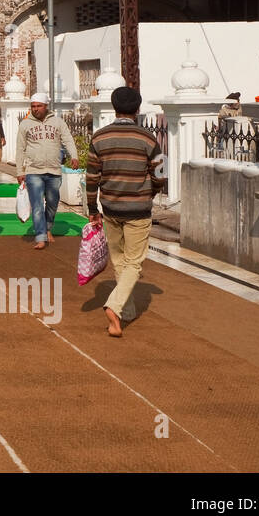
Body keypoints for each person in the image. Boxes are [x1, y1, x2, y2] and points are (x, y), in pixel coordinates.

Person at [85, 86, 165, 338]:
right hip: (138, 208)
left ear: (113, 107)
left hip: (110, 207)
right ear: (137, 109)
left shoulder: (99, 138)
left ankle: (126, 311)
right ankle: (115, 305)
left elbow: (91, 177)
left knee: (119, 260)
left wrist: (92, 208)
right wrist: (149, 192)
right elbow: (160, 175)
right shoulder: (148, 139)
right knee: (134, 262)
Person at [15, 91, 79, 250]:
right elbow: (20, 149)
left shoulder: (57, 122)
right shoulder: (25, 124)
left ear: (46, 106)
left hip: (54, 170)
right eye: (33, 106)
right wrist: (19, 171)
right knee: (37, 205)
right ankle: (41, 236)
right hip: (33, 170)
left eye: (39, 106)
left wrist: (74, 155)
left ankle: (48, 228)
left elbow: (68, 139)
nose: (35, 109)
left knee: (52, 202)